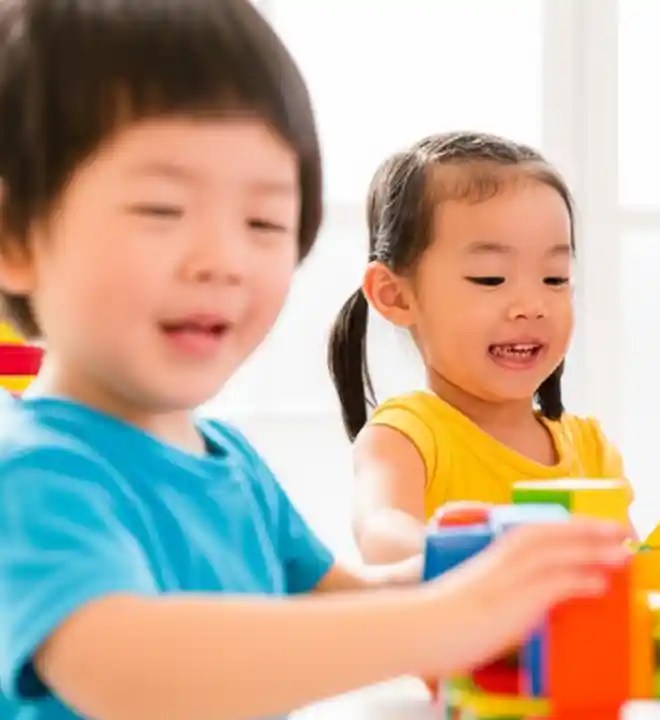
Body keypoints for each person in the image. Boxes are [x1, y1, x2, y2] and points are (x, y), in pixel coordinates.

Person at [0, 3, 626, 718]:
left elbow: (344, 602)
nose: (224, 261)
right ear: (16, 238)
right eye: (162, 210)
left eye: (263, 222)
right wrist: (448, 616)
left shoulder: (227, 460)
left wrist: (499, 575)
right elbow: (120, 668)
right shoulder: (32, 471)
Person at [328, 131, 628, 565]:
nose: (532, 306)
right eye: (490, 278)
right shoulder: (406, 437)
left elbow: (629, 565)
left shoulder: (591, 449)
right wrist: (484, 557)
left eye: (555, 278)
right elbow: (381, 532)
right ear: (395, 295)